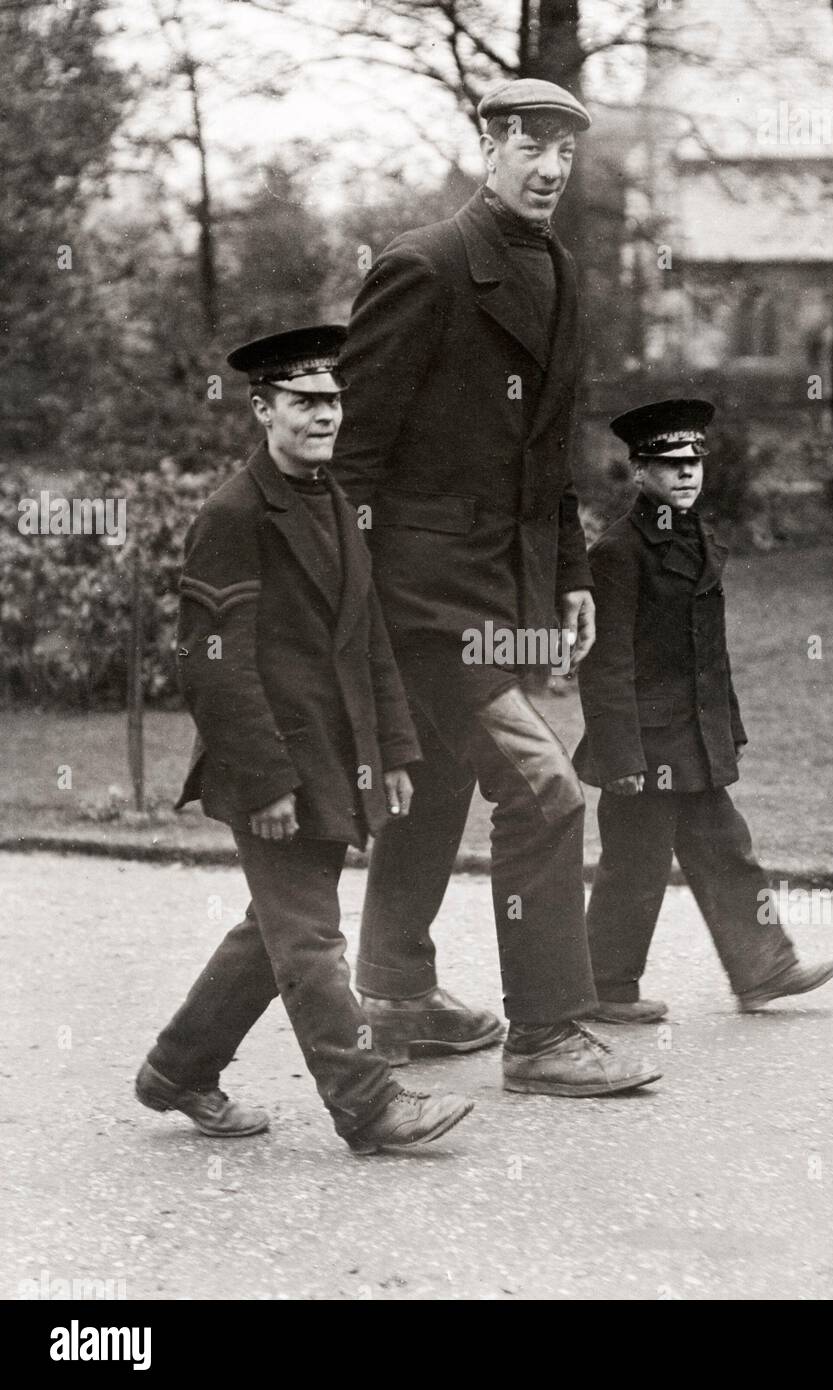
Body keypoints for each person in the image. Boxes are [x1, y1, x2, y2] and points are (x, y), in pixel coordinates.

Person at [333, 80, 660, 1097]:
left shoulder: (559, 269)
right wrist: (347, 607)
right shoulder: (423, 268)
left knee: (435, 786)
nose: (549, 169)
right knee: (544, 789)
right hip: (422, 595)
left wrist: (567, 575)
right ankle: (546, 1032)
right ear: (487, 146)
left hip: (506, 588)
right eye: (526, 147)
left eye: (563, 152)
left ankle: (392, 992)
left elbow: (547, 451)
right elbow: (352, 461)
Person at [135, 325, 473, 1153]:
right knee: (312, 941)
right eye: (304, 402)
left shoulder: (330, 499)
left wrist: (393, 749)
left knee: (275, 932)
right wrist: (265, 782)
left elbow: (368, 640)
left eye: (332, 400)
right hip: (273, 768)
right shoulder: (233, 514)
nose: (325, 416)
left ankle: (177, 1070)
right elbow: (211, 663)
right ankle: (369, 1105)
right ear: (262, 411)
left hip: (332, 757)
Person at [573, 398, 833, 1020]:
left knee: (726, 847)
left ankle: (763, 969)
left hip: (690, 738)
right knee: (634, 869)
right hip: (643, 744)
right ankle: (602, 990)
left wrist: (728, 730)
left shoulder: (698, 541)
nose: (687, 473)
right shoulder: (619, 552)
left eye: (694, 462)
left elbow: (708, 655)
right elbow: (604, 663)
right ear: (639, 473)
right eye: (670, 465)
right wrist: (620, 757)